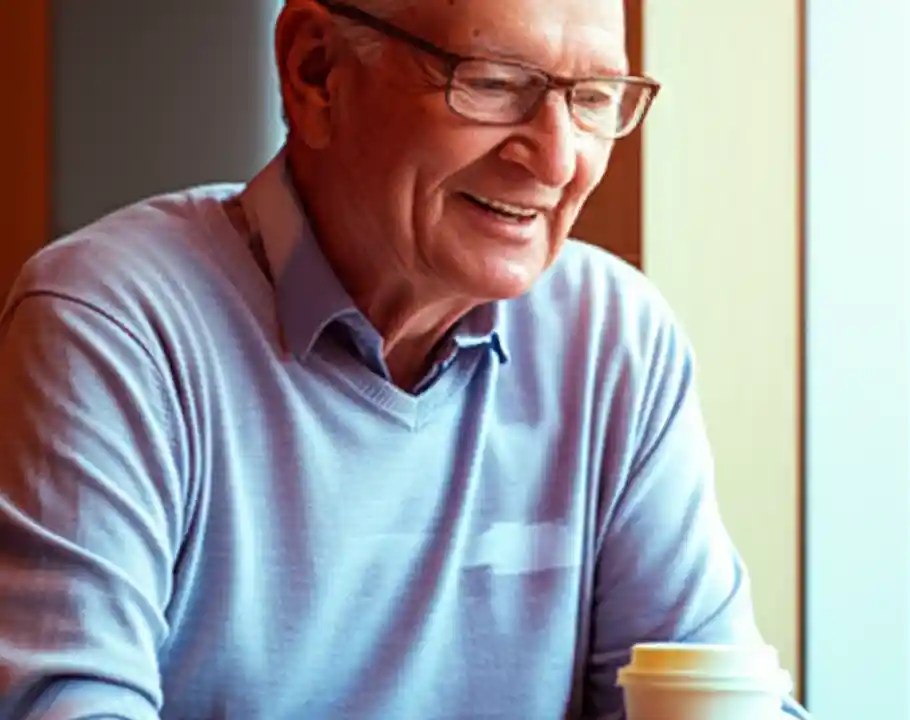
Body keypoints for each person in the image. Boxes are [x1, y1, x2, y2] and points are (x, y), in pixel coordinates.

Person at [0, 0, 809, 717]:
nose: (558, 160)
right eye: (493, 82)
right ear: (315, 72)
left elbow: (705, 688)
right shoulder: (114, 323)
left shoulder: (613, 341)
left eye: (593, 100)